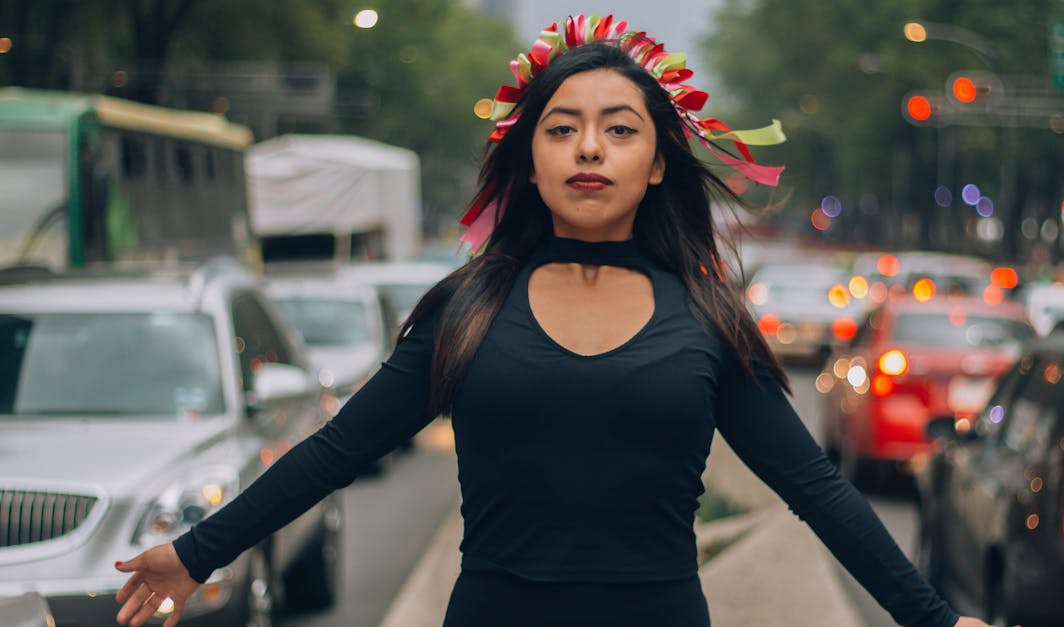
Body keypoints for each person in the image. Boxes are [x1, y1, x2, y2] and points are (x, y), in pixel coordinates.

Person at [115, 15, 997, 627]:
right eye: (562, 129)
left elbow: (817, 488)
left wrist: (932, 615)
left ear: (657, 164)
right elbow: (335, 451)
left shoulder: (708, 321)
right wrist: (194, 552)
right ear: (528, 160)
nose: (588, 149)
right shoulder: (467, 309)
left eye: (618, 130)